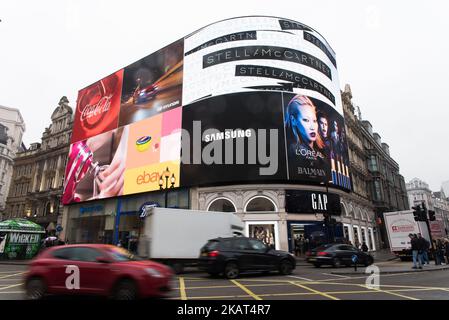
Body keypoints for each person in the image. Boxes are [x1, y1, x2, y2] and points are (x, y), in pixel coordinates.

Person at [284, 95, 328, 179]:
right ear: (293, 120)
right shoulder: (292, 152)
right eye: (306, 120)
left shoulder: (321, 153)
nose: (312, 127)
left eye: (314, 121)